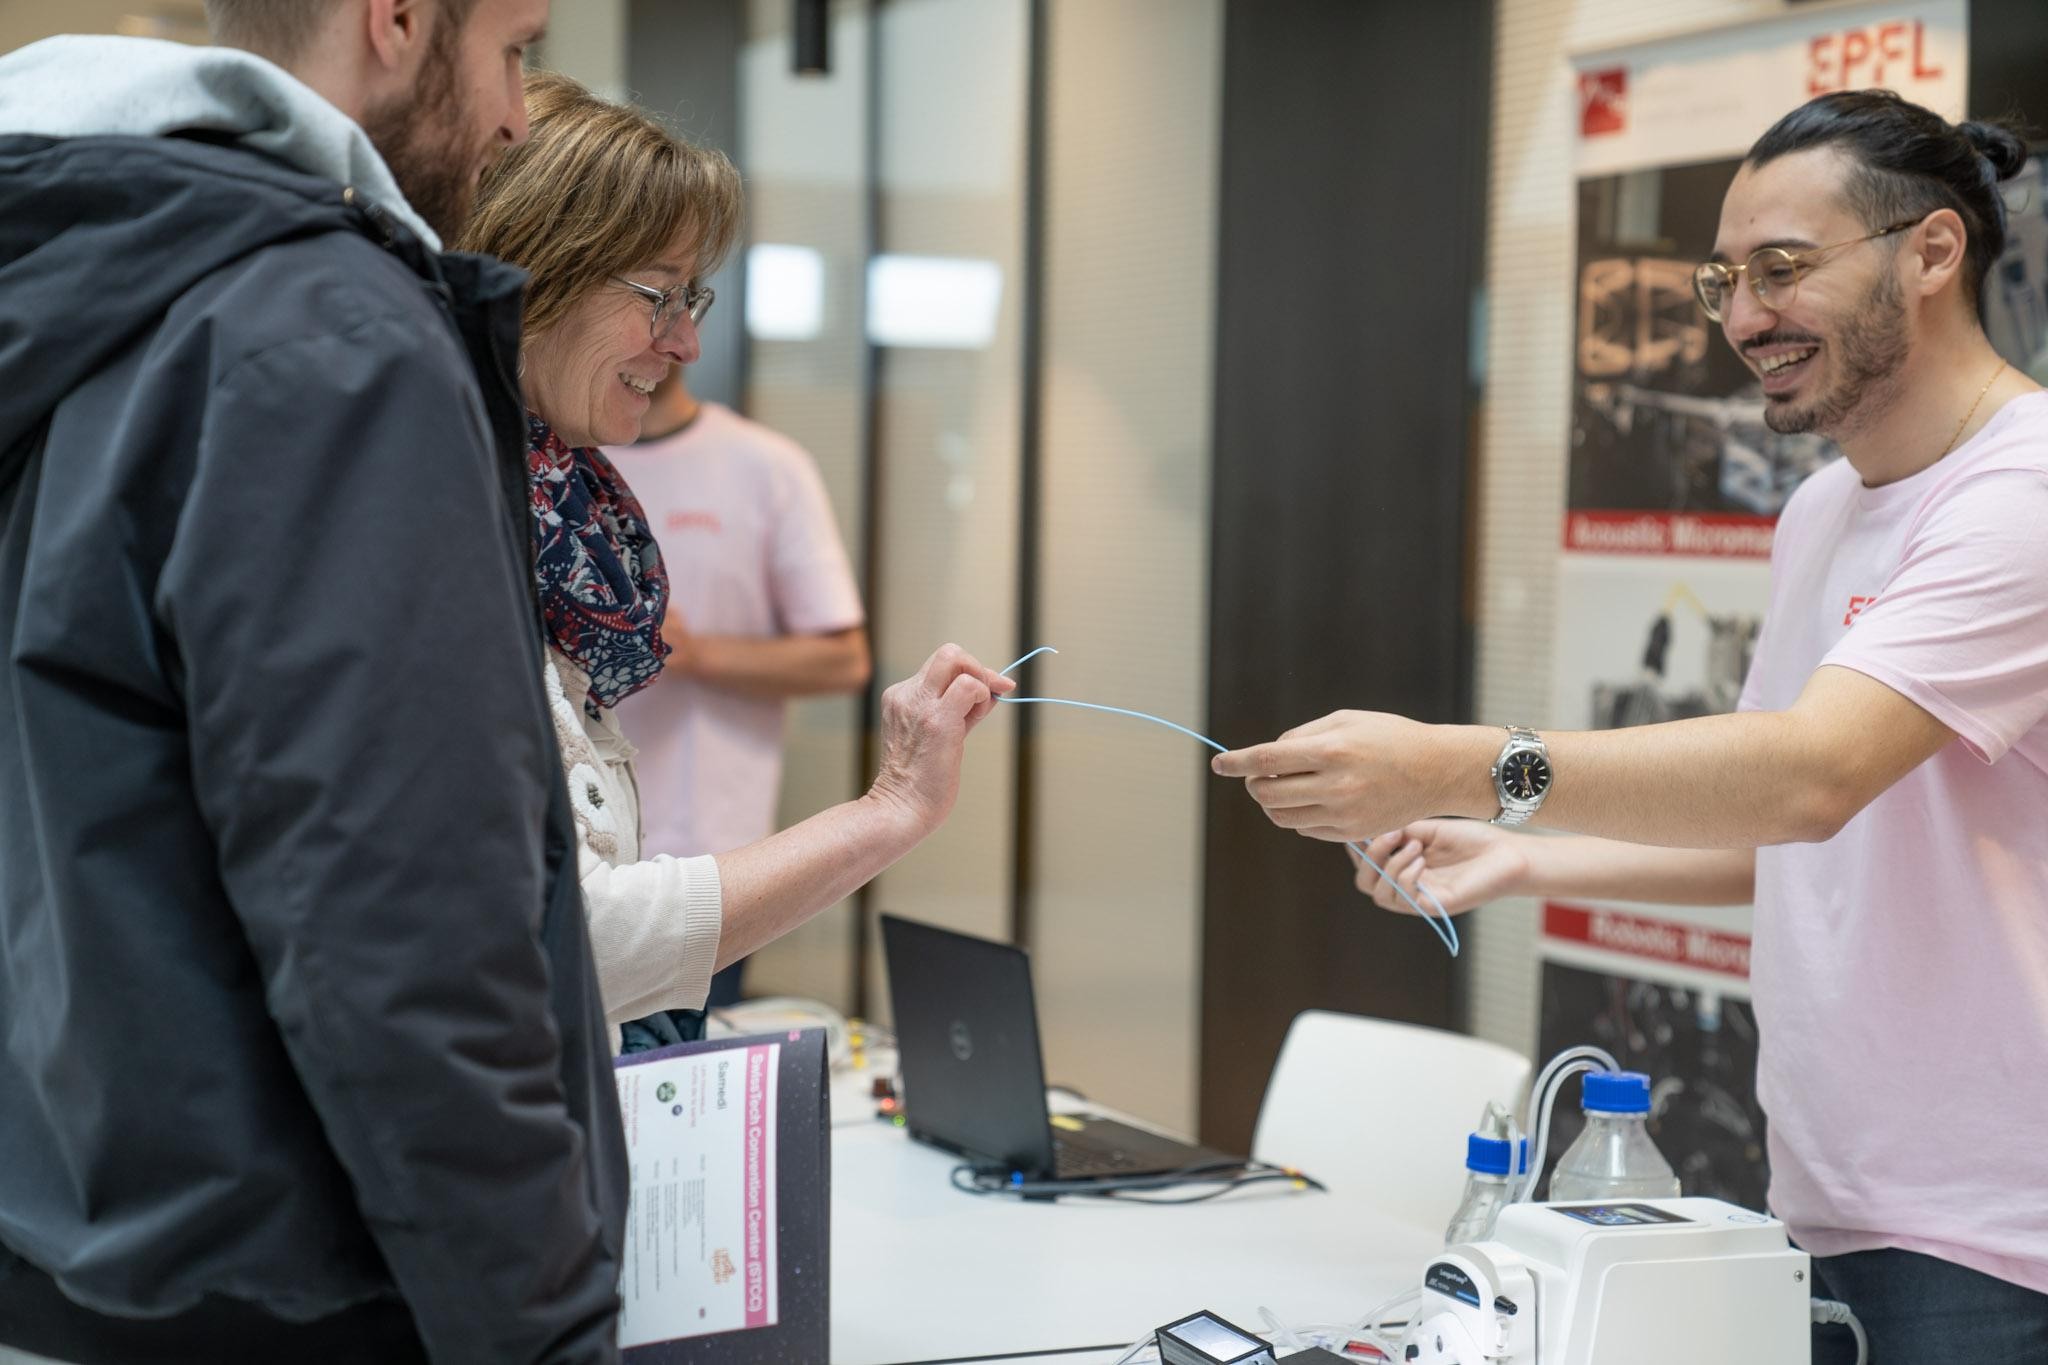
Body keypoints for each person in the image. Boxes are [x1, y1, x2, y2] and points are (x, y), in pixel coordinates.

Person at [1213, 91, 2048, 1362]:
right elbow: (1785, 836)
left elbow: (1807, 777)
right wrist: (1518, 853)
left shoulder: (2021, 493)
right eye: (1724, 280)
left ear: (1931, 252)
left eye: (1781, 270)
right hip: (1830, 1199)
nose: (1743, 319)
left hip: (1995, 1234)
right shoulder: (1822, 512)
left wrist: (1464, 763)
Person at [0, 2, 648, 1363]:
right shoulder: (322, 334)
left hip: (62, 1258)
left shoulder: (72, 282)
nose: (519, 117)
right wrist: (546, 1333)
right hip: (289, 1295)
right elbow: (402, 945)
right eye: (515, 50)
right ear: (400, 20)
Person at [455, 72, 1011, 1052]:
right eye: (659, 297)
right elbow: (563, 937)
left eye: (693, 298)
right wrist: (889, 811)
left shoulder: (573, 502)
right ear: (539, 267)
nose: (687, 341)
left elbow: (838, 654)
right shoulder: (444, 520)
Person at [606, 368, 871, 1012]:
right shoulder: (548, 462)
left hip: (712, 867)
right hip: (569, 858)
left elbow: (845, 661)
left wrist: (695, 653)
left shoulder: (765, 466)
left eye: (677, 300)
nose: (671, 335)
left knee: (686, 1097)